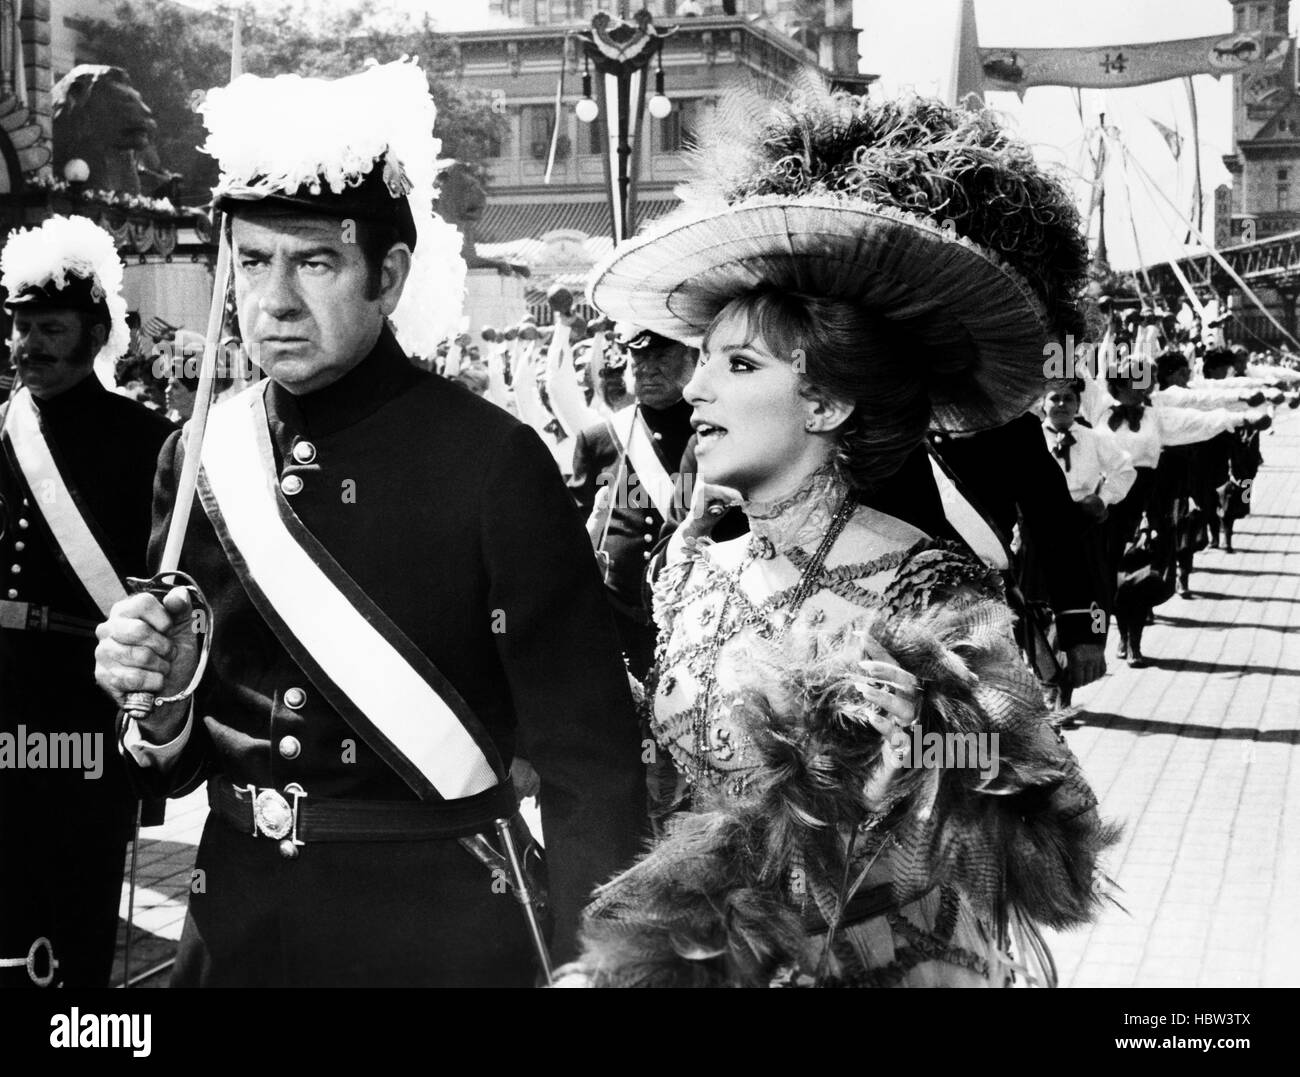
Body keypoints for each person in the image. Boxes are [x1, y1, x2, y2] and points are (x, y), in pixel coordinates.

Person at [92, 60, 645, 987]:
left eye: (313, 262)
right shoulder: (197, 458)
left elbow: (590, 760)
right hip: (235, 929)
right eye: (254, 261)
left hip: (439, 935)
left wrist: (601, 961)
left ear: (388, 275)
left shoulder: (493, 462)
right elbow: (171, 769)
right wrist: (158, 701)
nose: (273, 302)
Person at [559, 91, 1117, 988]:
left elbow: (1050, 802)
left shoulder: (927, 587)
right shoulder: (694, 571)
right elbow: (681, 779)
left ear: (826, 402)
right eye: (702, 360)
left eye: (739, 365)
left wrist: (920, 744)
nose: (697, 390)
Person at [0, 215, 176, 987]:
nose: (26, 347)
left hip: (84, 706)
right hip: (2, 694)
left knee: (75, 903)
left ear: (96, 329)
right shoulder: (2, 428)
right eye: (18, 328)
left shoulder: (149, 443)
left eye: (48, 328)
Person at [1086, 360, 1267, 665]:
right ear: (1117, 385)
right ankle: (1114, 633)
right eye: (1137, 379)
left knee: (1144, 567)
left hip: (1146, 499)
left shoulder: (1156, 415)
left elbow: (1198, 420)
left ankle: (1135, 641)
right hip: (1109, 501)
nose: (1147, 383)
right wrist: (1061, 332)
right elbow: (1068, 376)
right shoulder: (1099, 409)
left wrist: (1244, 419)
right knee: (1107, 572)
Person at [567, 323, 696, 679]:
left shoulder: (710, 435)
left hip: (692, 611)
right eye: (637, 355)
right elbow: (571, 530)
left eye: (661, 354)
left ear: (693, 355)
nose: (647, 367)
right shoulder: (599, 438)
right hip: (615, 618)